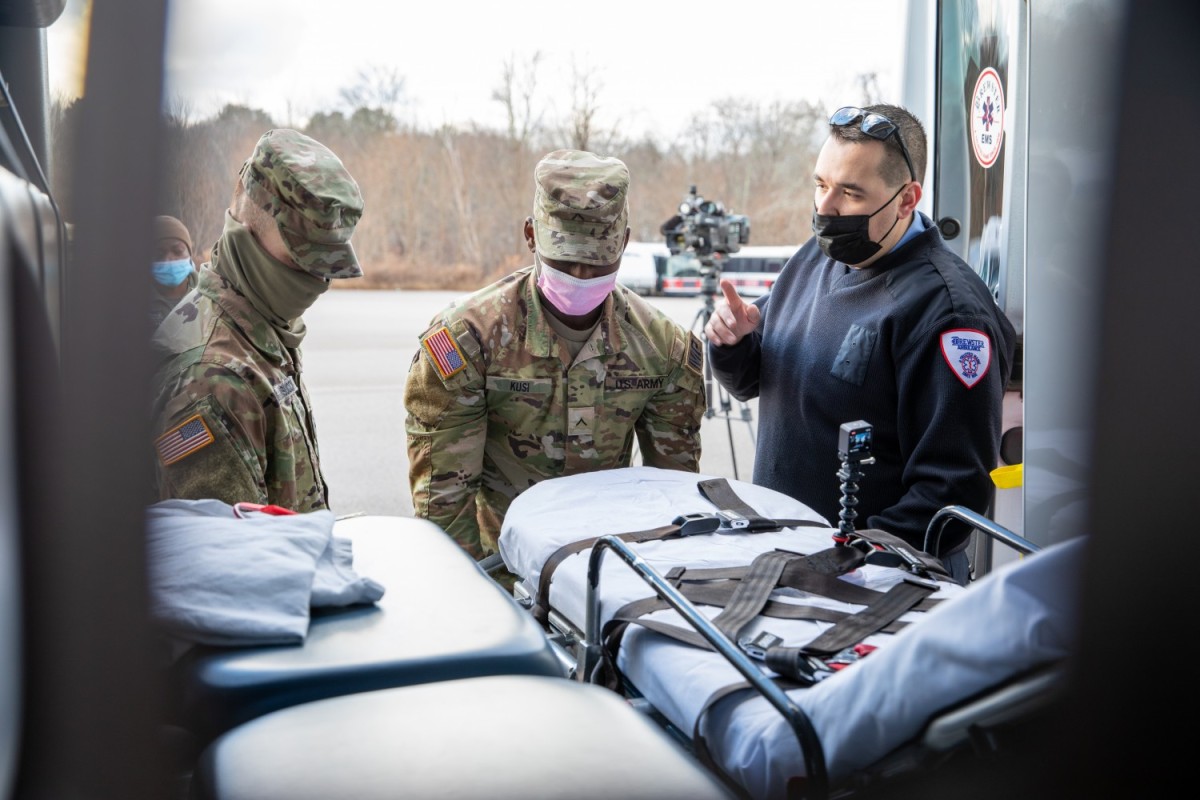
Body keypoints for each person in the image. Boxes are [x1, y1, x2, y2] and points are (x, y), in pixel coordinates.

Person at [704, 104, 1016, 584]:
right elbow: (753, 379)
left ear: (907, 199)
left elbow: (950, 492)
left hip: (875, 587)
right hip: (786, 562)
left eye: (850, 193)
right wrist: (732, 342)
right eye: (821, 185)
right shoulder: (818, 257)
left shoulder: (949, 313)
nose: (825, 209)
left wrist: (840, 566)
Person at [404, 148, 706, 561]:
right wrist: (473, 592)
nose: (581, 277)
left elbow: (674, 494)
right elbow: (444, 501)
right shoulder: (470, 340)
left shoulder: (662, 347)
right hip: (504, 565)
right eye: (564, 261)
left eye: (599, 264)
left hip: (612, 568)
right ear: (531, 236)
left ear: (625, 243)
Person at [150, 129, 364, 512]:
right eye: (304, 263)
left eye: (326, 266)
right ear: (250, 235)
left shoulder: (259, 323)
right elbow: (232, 561)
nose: (319, 281)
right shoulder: (212, 377)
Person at [150, 214, 198, 330]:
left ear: (190, 255)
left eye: (177, 251)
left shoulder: (208, 296)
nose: (169, 260)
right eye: (159, 254)